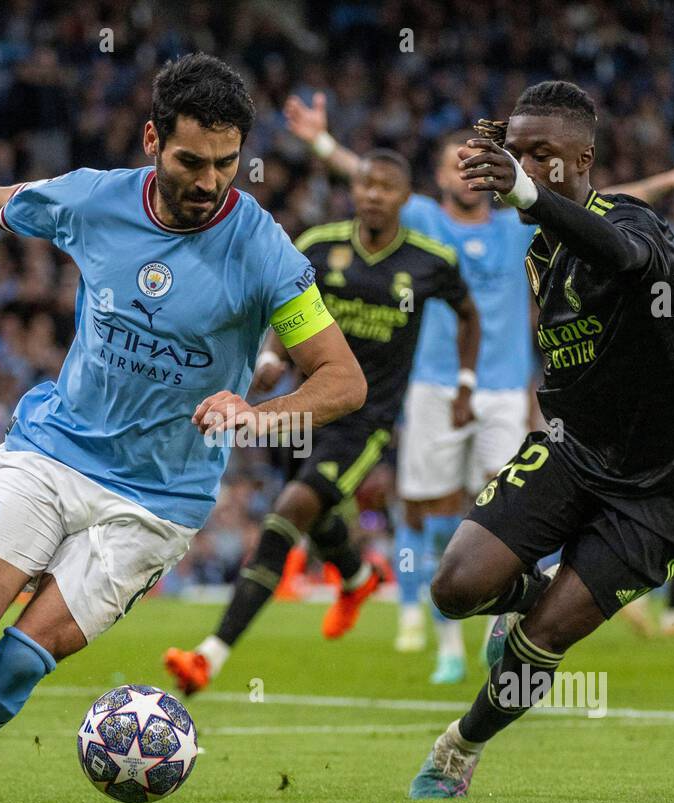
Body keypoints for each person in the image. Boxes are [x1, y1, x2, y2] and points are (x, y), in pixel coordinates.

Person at [0, 54, 366, 803]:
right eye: (189, 160)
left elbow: (343, 382)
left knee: (18, 663)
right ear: (152, 139)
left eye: (226, 163)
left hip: (159, 500)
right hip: (55, 450)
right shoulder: (92, 199)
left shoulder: (266, 251)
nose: (209, 181)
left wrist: (263, 415)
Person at [283, 93, 674, 683]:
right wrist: (318, 142)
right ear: (443, 177)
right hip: (435, 384)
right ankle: (422, 618)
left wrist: (671, 178)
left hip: (507, 387)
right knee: (425, 503)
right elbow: (370, 182)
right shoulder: (425, 224)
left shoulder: (519, 229)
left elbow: (596, 218)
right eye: (454, 164)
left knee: (506, 501)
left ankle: (538, 597)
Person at [407, 81, 674, 798]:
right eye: (515, 153)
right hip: (575, 449)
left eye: (542, 155)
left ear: (585, 158)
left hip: (670, 485)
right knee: (455, 589)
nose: (522, 165)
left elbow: (624, 258)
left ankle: (460, 747)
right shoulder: (537, 257)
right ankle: (531, 591)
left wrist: (526, 192)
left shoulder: (636, 225)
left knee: (545, 637)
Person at [164, 149, 479, 696]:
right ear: (353, 191)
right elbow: (290, 312)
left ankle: (208, 658)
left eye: (385, 186)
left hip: (366, 420)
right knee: (314, 508)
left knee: (288, 514)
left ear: (406, 198)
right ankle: (357, 579)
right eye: (364, 184)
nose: (372, 195)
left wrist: (466, 383)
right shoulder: (318, 246)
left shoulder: (431, 261)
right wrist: (272, 359)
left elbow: (469, 314)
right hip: (303, 410)